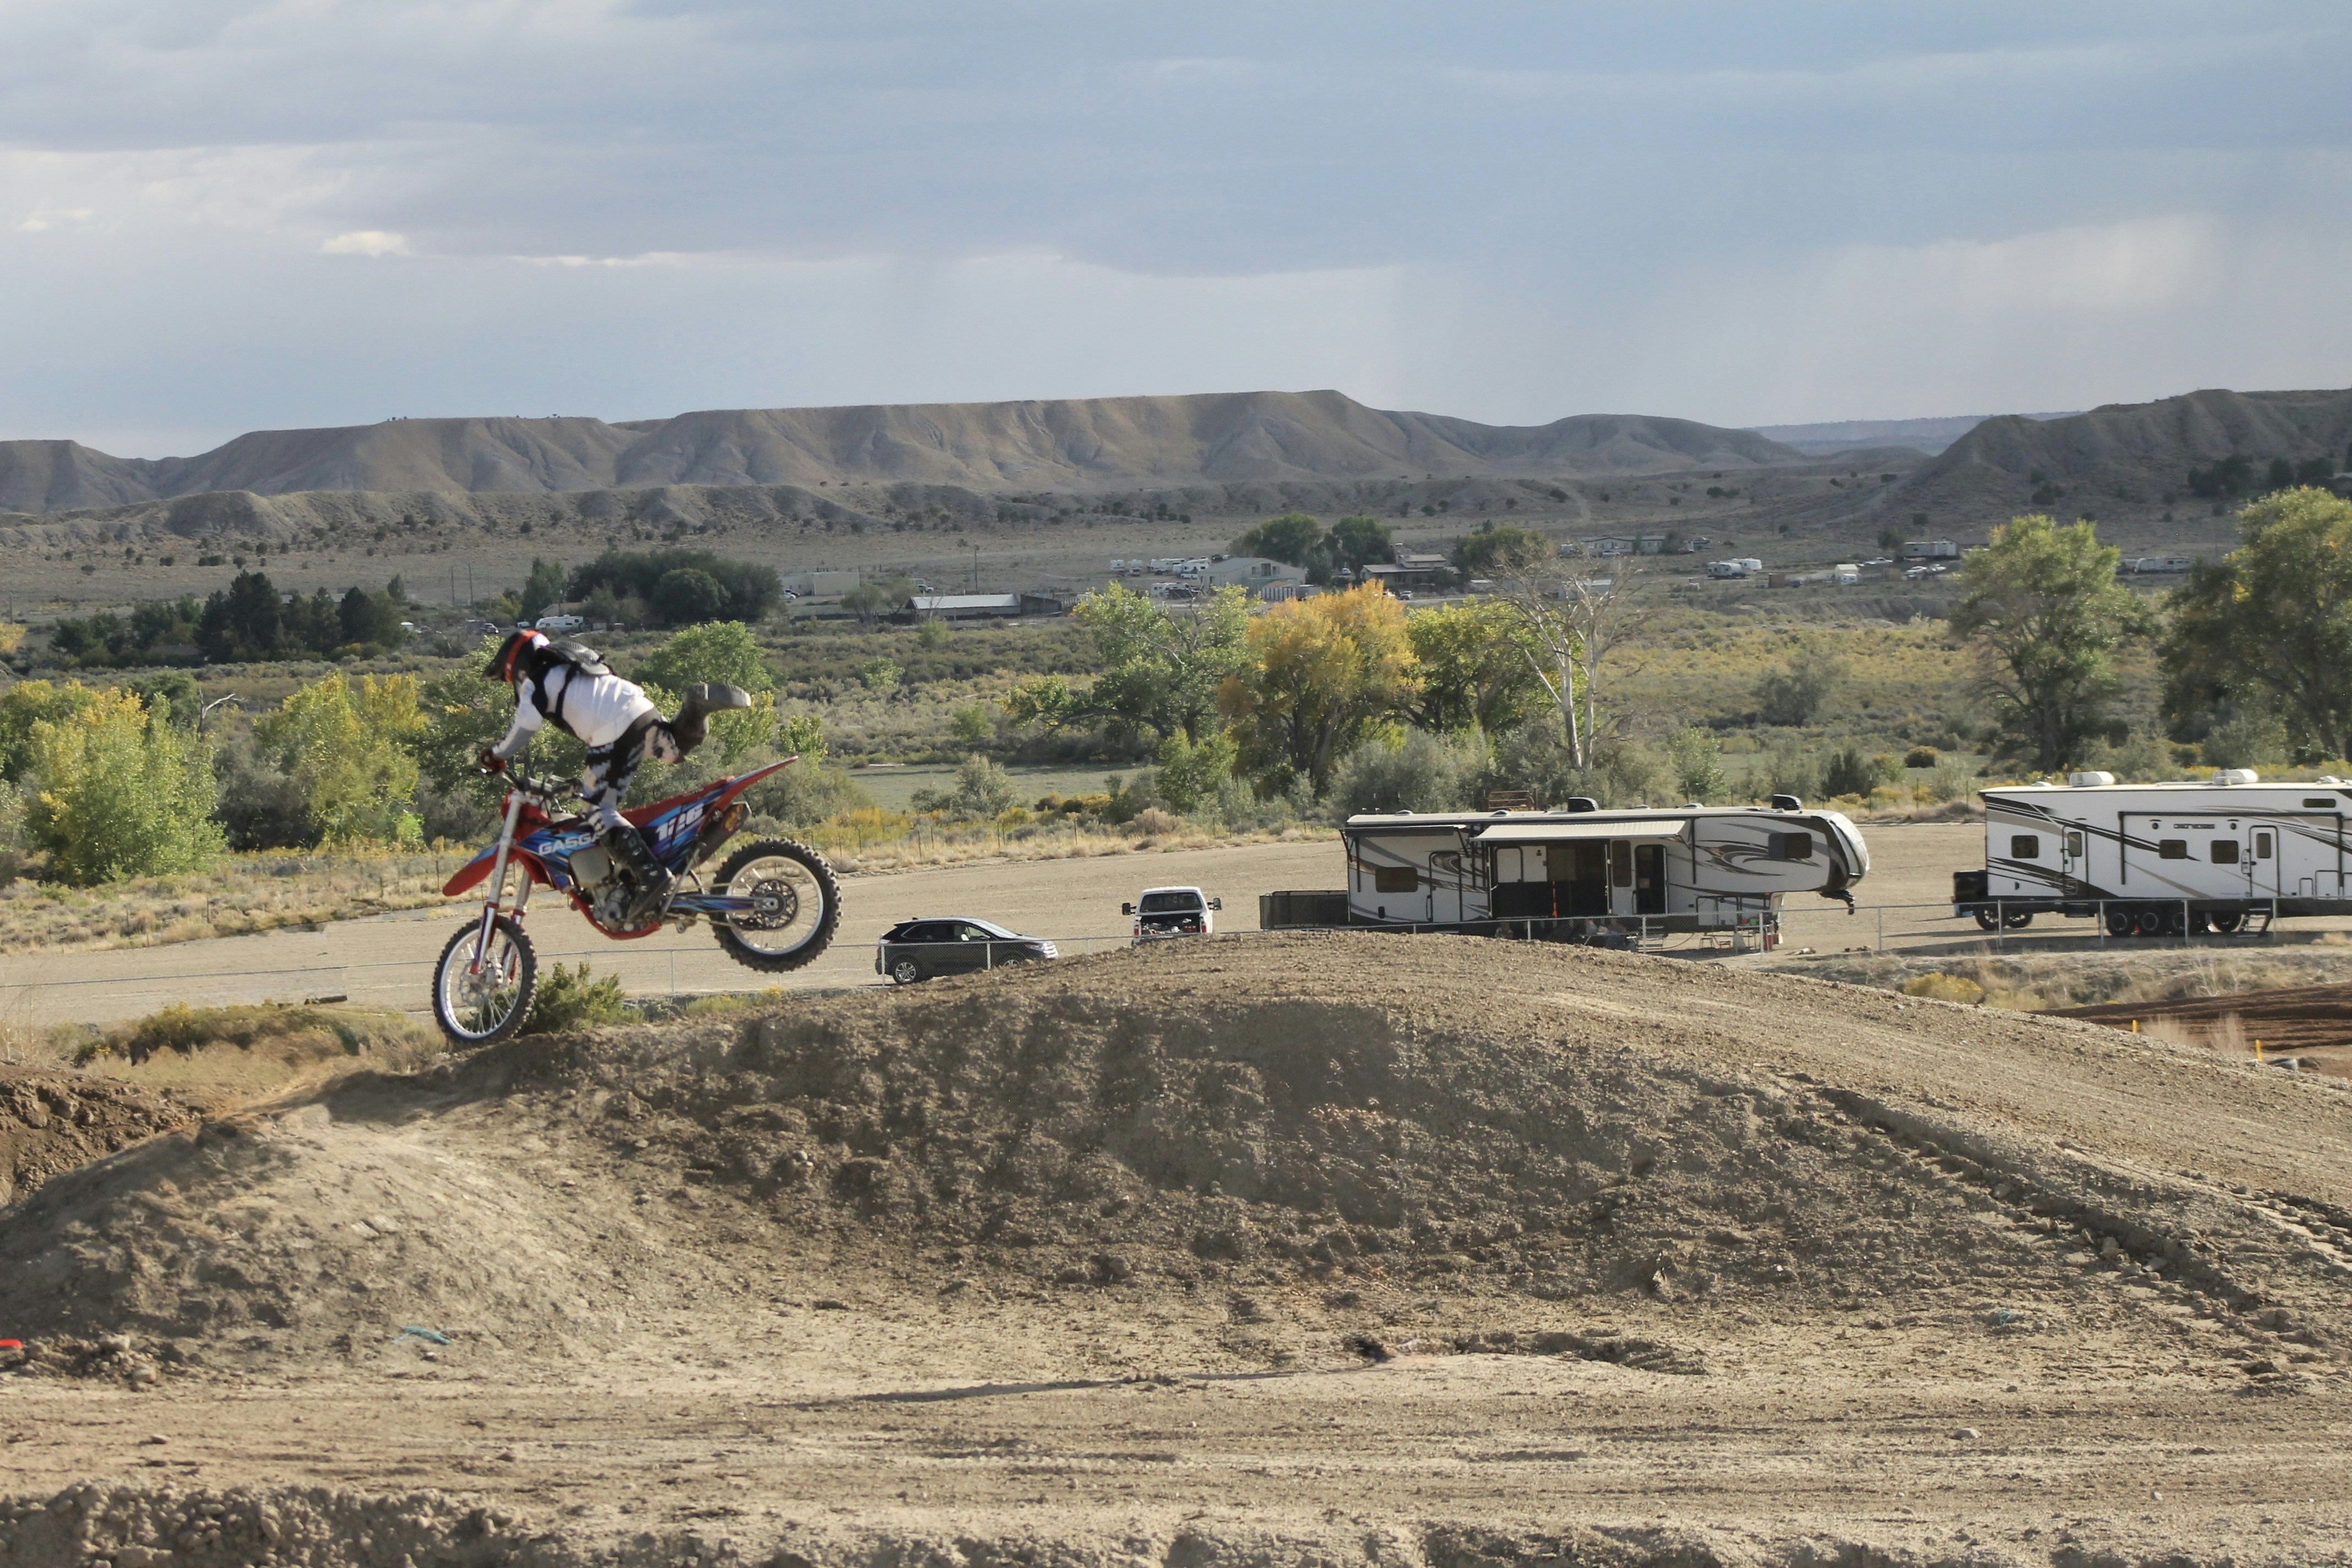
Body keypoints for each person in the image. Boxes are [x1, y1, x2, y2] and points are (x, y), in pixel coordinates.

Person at [479, 629, 746, 922]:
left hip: (613, 729)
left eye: (509, 679)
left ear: (516, 667)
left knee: (596, 810)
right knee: (671, 751)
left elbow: (527, 723)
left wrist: (495, 755)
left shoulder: (537, 681)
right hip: (639, 709)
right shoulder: (573, 668)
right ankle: (694, 714)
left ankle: (652, 876)